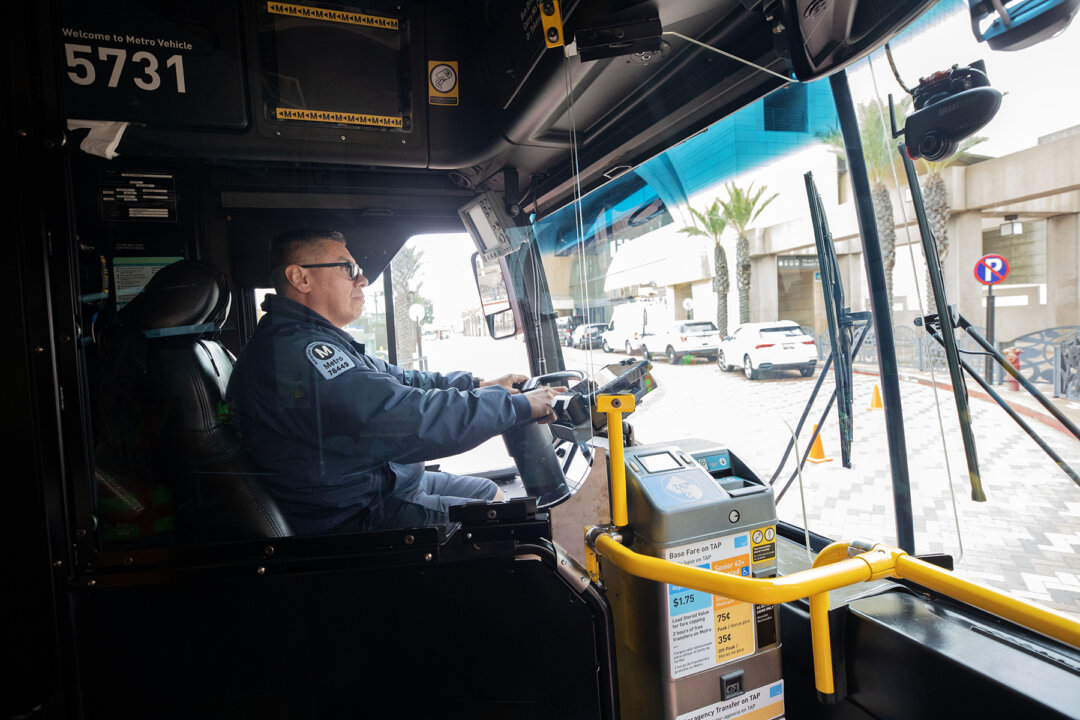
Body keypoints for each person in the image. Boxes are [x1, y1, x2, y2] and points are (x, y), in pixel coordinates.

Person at [227, 229, 566, 535]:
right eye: (348, 269)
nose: (362, 280)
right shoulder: (299, 353)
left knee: (488, 495)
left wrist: (480, 385)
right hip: (352, 514)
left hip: (369, 484)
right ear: (300, 278)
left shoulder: (315, 340)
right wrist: (519, 405)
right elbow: (404, 417)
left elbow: (404, 380)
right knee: (503, 524)